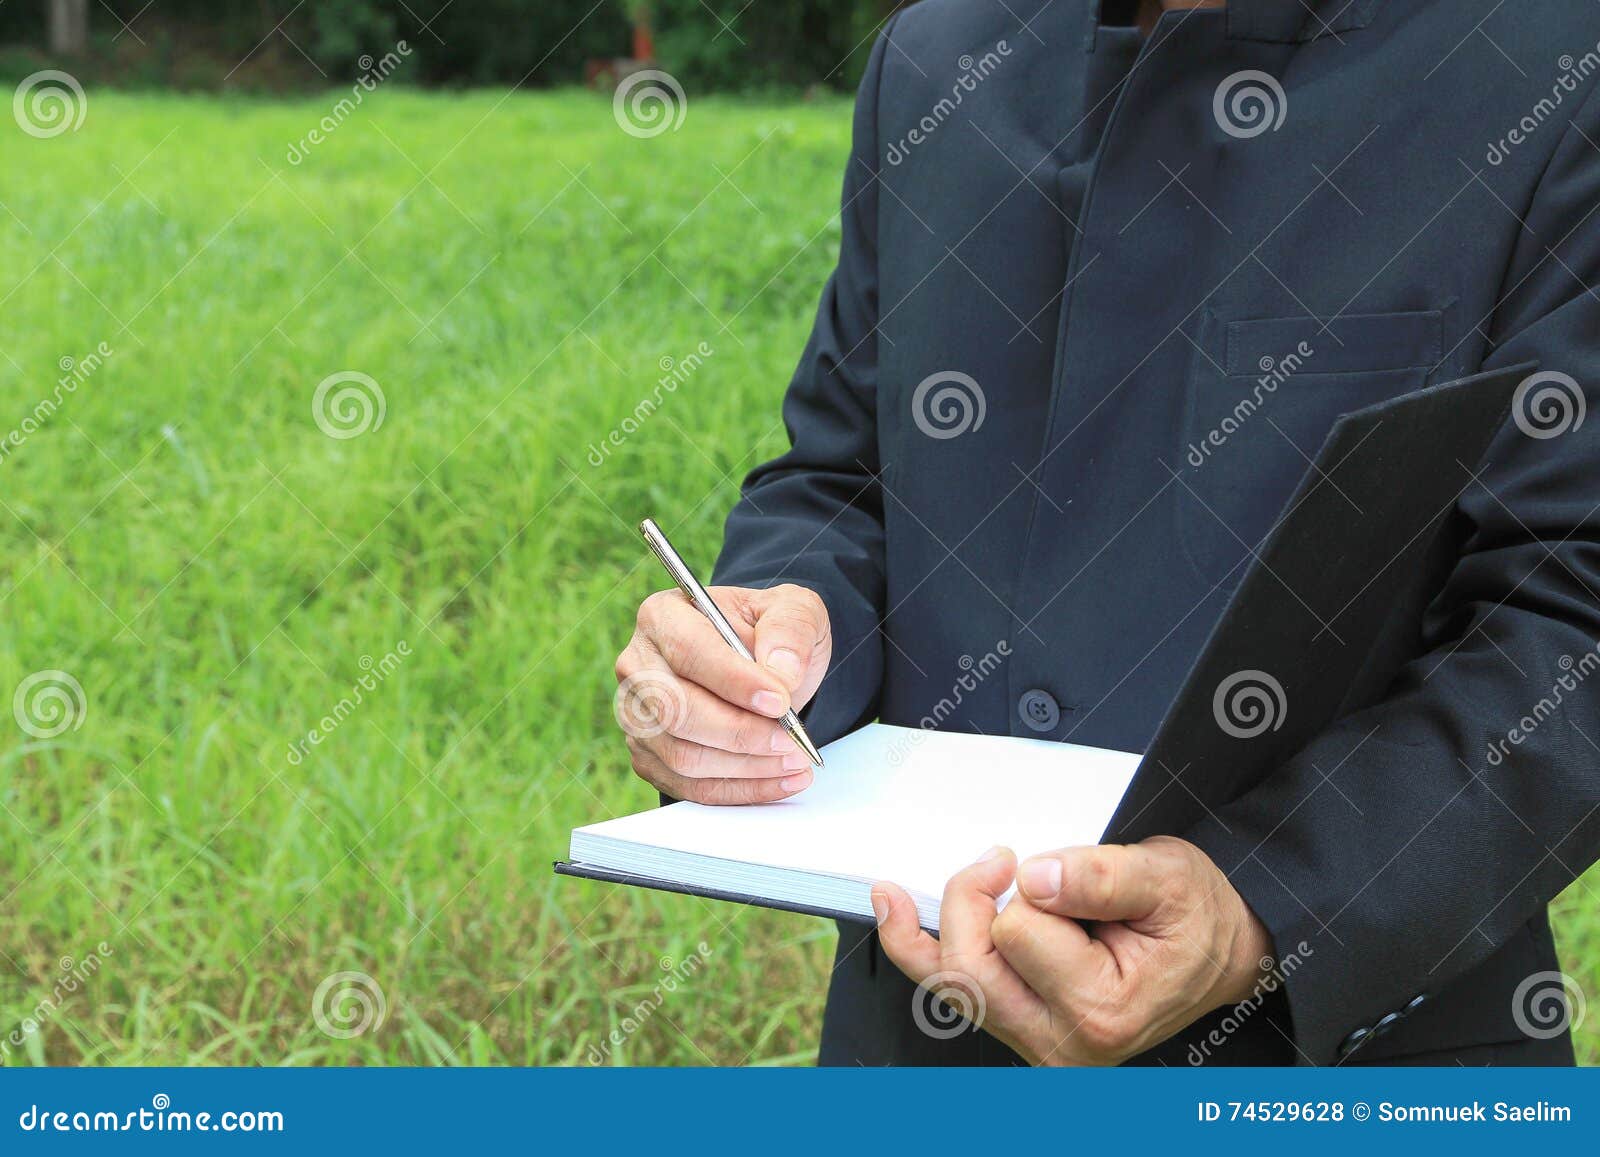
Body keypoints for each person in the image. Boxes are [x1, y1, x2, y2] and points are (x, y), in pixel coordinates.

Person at [612, 0, 1600, 1065]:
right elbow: (842, 476)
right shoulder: (934, 58)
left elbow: (1571, 602)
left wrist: (1263, 901)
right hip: (919, 1039)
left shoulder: (1550, 62)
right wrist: (771, 639)